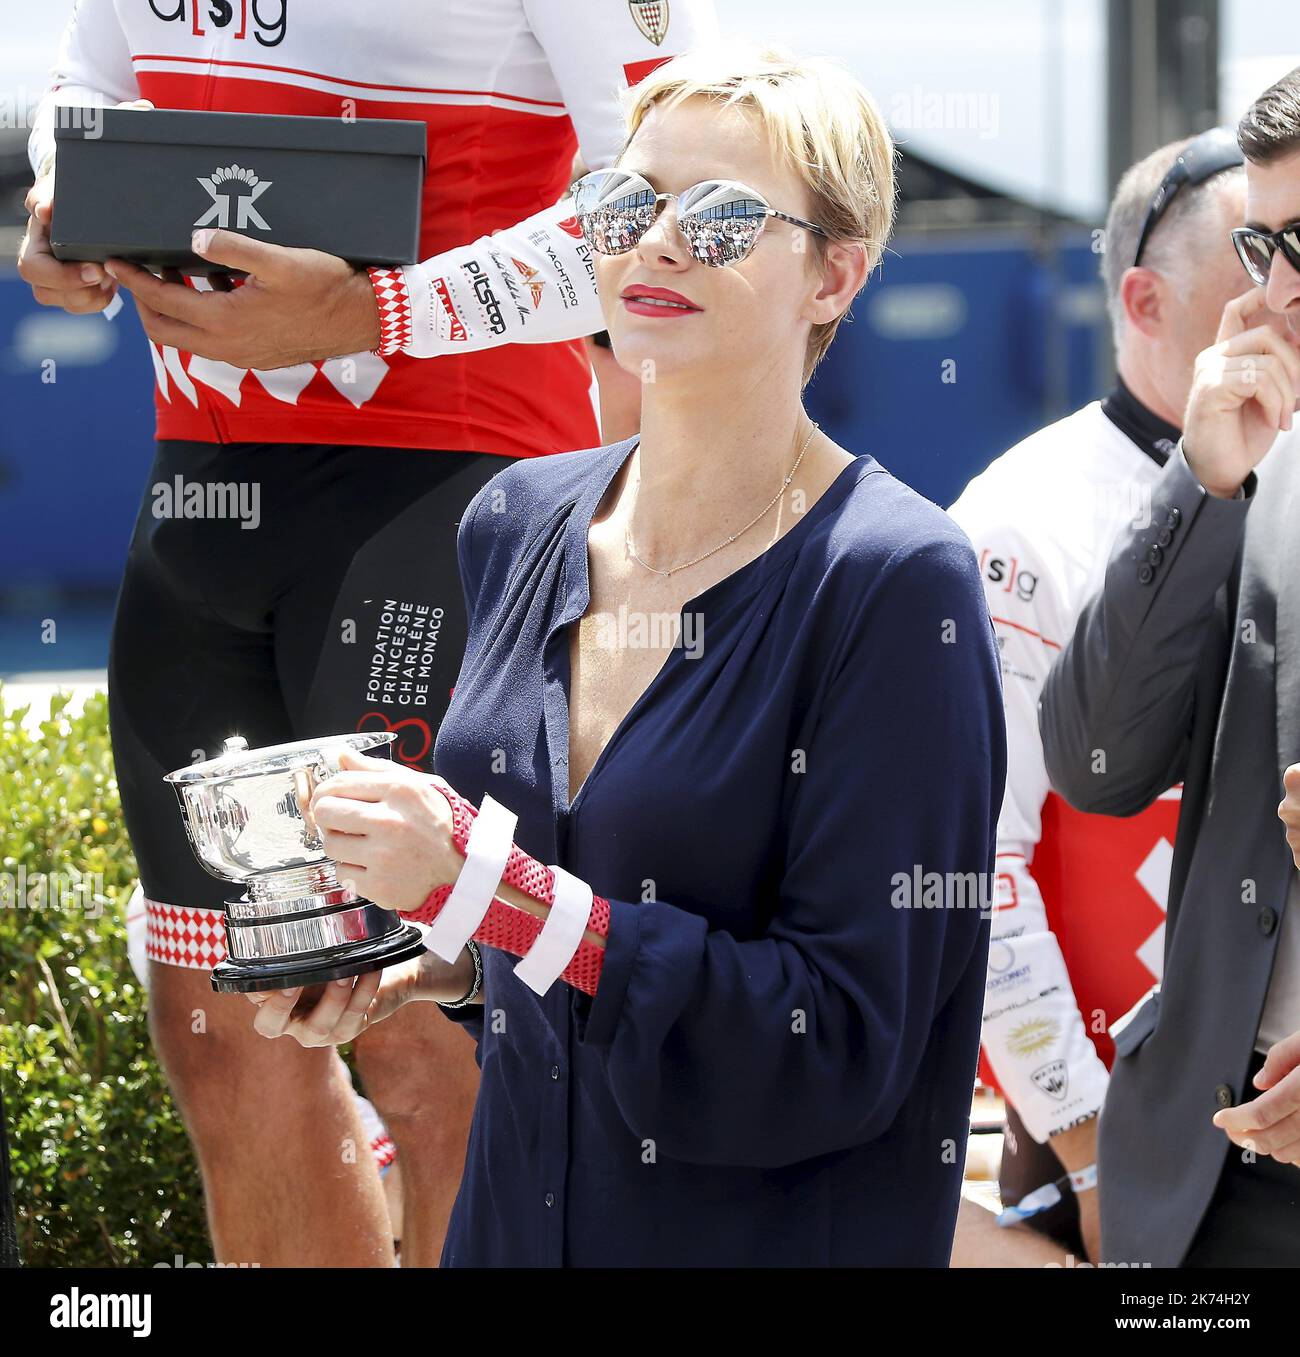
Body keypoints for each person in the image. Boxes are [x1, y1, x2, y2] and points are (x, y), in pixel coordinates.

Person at [245, 40, 1006, 1268]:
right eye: (622, 201)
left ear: (836, 276)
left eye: (719, 217)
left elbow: (844, 1042)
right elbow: (551, 952)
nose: (653, 243)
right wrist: (413, 963)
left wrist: (494, 891)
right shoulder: (518, 517)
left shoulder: (893, 579)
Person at [21, 0, 719, 1267]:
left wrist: (370, 316)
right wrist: (70, 207)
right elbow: (89, 89)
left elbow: (681, 205)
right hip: (201, 497)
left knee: (427, 1028)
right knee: (226, 1034)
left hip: (454, 488)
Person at [948, 127, 1250, 1265]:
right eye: (1256, 266)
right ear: (1144, 298)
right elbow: (974, 870)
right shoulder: (1022, 521)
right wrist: (1087, 1148)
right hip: (1110, 1134)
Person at [1039, 67, 1300, 1267]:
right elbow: (1095, 762)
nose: (1279, 290)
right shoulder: (1255, 467)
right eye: (1262, 246)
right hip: (1215, 1179)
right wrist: (1196, 481)